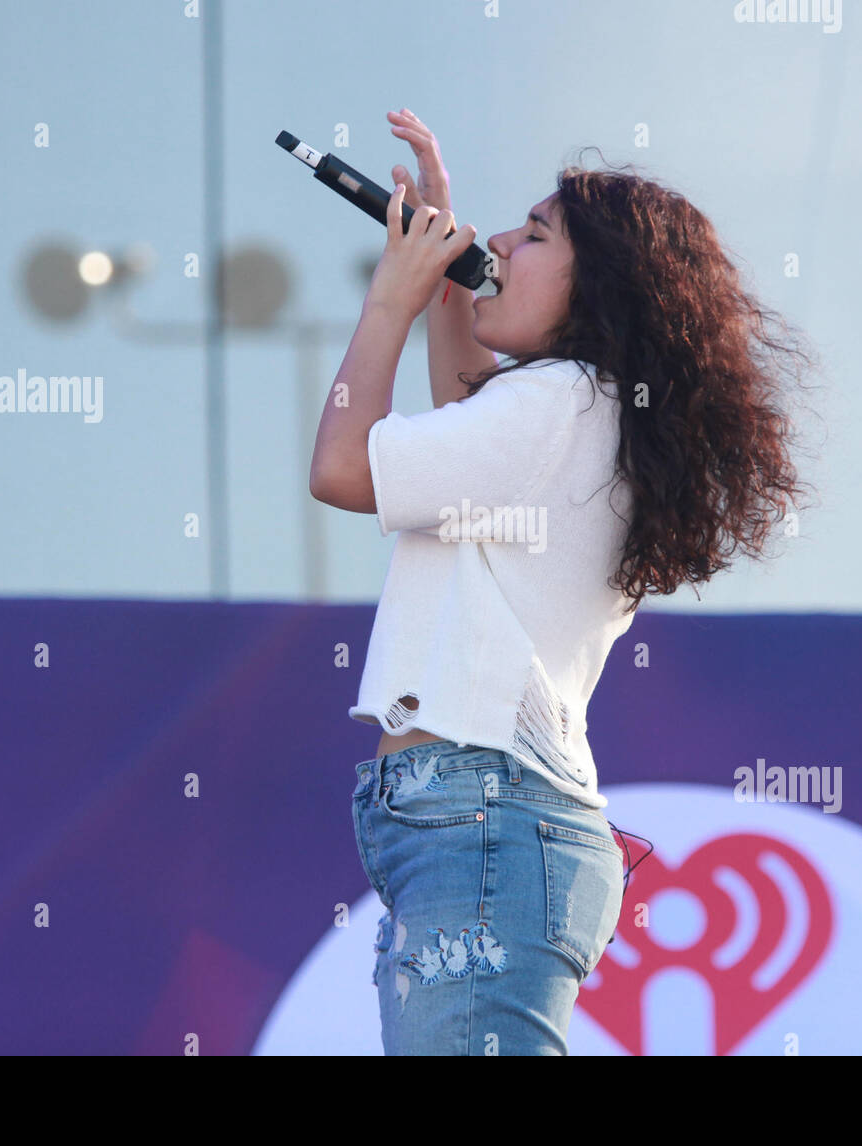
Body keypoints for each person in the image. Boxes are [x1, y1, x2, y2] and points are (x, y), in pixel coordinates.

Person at [310, 108, 815, 1055]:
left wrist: (391, 299)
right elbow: (468, 414)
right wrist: (449, 275)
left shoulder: (558, 402)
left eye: (533, 235)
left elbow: (343, 469)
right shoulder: (579, 414)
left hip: (488, 818)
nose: (497, 242)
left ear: (604, 291)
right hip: (495, 821)